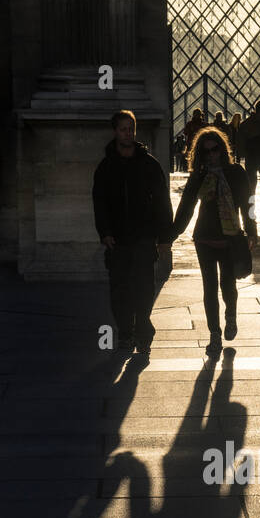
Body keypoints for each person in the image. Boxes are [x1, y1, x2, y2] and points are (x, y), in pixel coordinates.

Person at [92, 110, 174, 357]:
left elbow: (162, 202)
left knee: (144, 289)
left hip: (144, 237)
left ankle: (142, 333)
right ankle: (126, 332)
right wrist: (104, 231)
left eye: (131, 128)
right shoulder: (106, 167)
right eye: (123, 129)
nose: (128, 133)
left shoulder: (149, 164)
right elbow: (99, 202)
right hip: (117, 238)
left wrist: (164, 236)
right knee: (120, 290)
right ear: (115, 131)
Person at [171, 126, 256, 359]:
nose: (211, 155)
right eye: (205, 152)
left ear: (222, 149)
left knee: (228, 285)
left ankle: (231, 316)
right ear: (200, 154)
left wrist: (252, 231)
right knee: (209, 287)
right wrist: (171, 234)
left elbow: (249, 203)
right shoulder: (198, 176)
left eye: (214, 150)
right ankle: (214, 335)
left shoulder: (236, 172)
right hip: (204, 237)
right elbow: (186, 207)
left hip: (229, 238)